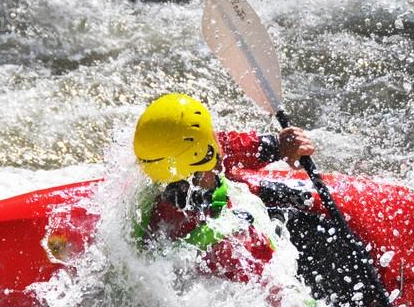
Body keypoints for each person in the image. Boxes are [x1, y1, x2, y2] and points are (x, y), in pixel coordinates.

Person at [130, 92, 314, 285]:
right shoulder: (236, 245)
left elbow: (224, 147)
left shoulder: (146, 191)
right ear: (210, 154)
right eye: (212, 135)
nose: (219, 139)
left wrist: (275, 146)